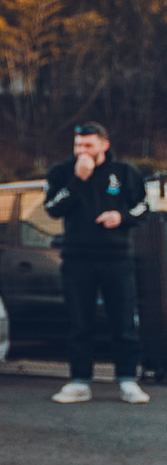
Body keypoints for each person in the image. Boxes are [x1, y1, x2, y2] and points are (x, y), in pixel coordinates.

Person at [43, 122, 150, 403]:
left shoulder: (125, 172)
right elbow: (53, 208)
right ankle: (79, 382)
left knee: (124, 321)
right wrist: (77, 180)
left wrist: (121, 217)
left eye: (88, 145)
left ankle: (128, 381)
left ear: (104, 144)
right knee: (80, 323)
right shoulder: (62, 172)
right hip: (77, 259)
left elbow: (143, 206)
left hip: (116, 258)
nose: (82, 151)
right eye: (78, 145)